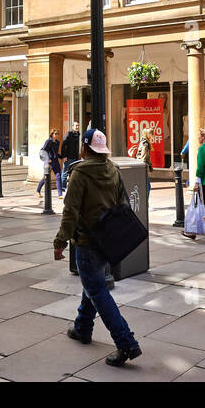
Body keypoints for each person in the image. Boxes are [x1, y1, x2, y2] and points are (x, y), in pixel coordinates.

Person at [54, 127, 141, 366]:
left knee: (97, 291)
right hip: (107, 240)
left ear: (84, 148)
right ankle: (82, 327)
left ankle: (126, 343)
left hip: (87, 241)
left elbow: (70, 212)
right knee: (93, 284)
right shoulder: (113, 170)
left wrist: (60, 241)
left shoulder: (80, 173)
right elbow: (122, 204)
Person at [37, 129, 63, 200]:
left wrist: (61, 157)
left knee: (58, 176)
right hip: (49, 162)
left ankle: (60, 194)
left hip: (56, 162)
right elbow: (43, 150)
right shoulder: (48, 141)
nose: (57, 135)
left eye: (58, 133)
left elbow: (56, 153)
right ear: (52, 134)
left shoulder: (57, 142)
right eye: (55, 133)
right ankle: (38, 190)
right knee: (46, 178)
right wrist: (47, 159)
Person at [59, 122, 81, 193]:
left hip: (75, 157)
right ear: (72, 126)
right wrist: (64, 156)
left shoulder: (78, 134)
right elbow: (63, 145)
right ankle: (62, 188)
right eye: (76, 125)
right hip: (68, 157)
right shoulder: (68, 134)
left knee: (73, 173)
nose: (77, 127)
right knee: (65, 173)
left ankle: (71, 187)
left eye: (78, 126)